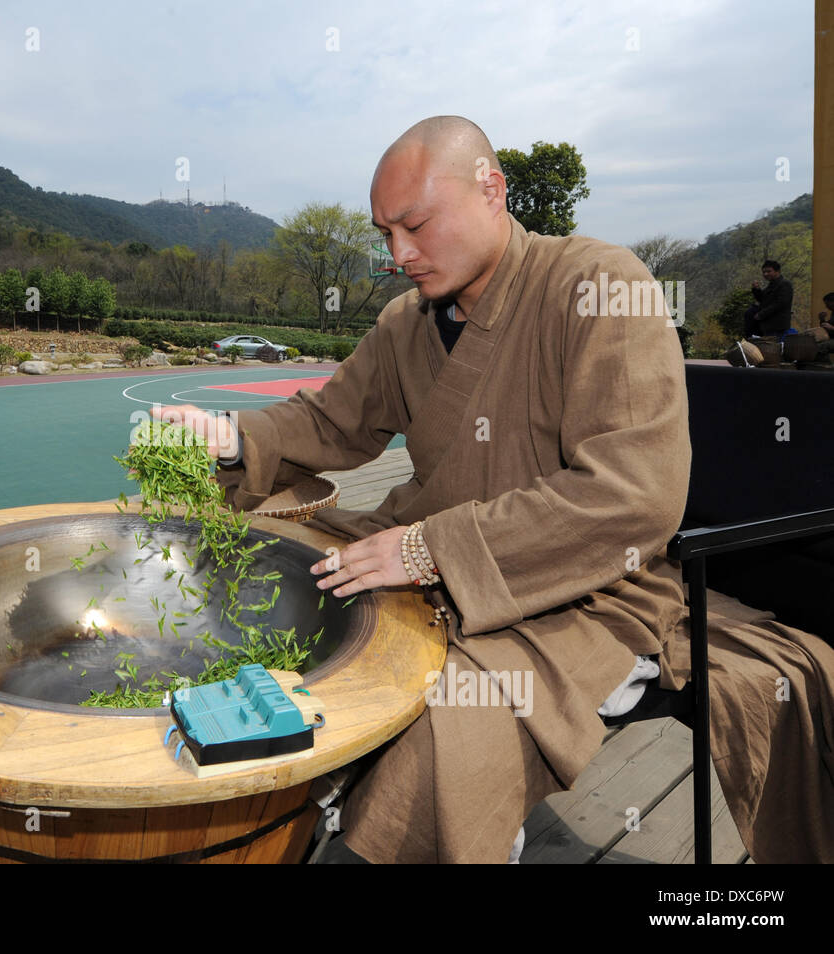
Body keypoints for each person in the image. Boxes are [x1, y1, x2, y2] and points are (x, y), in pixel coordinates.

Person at [150, 115, 834, 863]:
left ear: (492, 190)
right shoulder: (404, 322)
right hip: (423, 549)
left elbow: (636, 496)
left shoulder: (603, 287)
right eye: (385, 234)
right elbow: (331, 422)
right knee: (276, 558)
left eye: (414, 226)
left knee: (446, 730)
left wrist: (431, 549)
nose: (398, 255)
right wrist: (231, 436)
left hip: (587, 590)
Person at [745, 260, 794, 337]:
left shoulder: (784, 284)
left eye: (769, 271)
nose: (765, 274)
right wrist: (756, 290)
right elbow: (763, 300)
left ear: (777, 271)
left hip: (777, 326)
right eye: (764, 272)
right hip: (767, 325)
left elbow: (780, 304)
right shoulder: (771, 285)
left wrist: (761, 314)